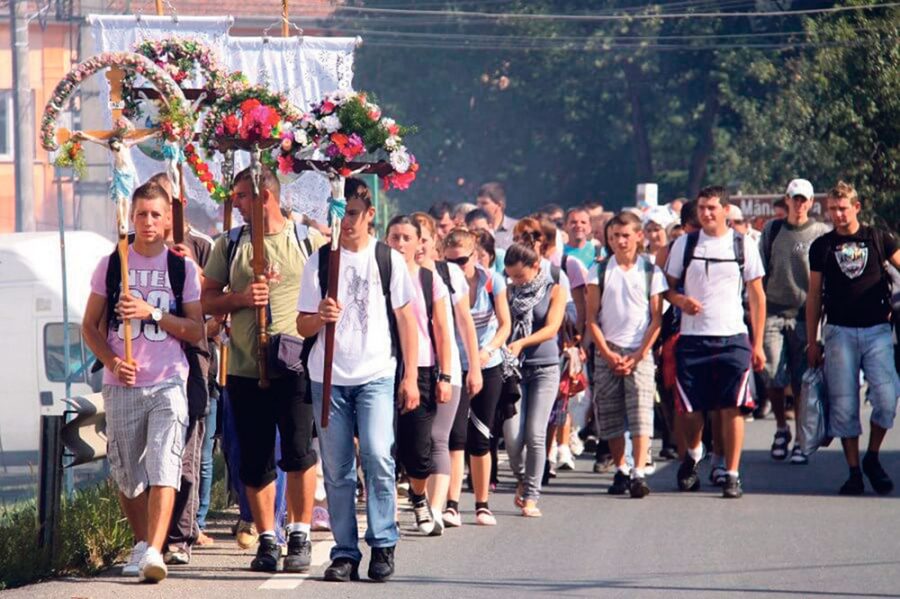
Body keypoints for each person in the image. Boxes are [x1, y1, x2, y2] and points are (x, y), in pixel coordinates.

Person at [297, 178, 420, 582]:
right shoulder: (319, 261)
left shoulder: (388, 259)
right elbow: (302, 325)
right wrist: (321, 317)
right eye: (339, 213)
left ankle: (383, 541)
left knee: (378, 455)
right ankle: (345, 551)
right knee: (336, 468)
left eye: (351, 213)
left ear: (369, 215)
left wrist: (411, 377)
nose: (344, 221)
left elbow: (406, 319)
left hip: (376, 374)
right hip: (327, 376)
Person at [81, 182, 204, 583]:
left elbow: (195, 329)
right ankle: (140, 541)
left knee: (165, 465)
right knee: (128, 476)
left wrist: (152, 313)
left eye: (155, 214)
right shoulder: (113, 264)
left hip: (169, 381)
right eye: (141, 214)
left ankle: (155, 549)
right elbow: (89, 326)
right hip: (122, 385)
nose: (148, 222)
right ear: (130, 217)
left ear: (168, 218)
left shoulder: (181, 268)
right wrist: (113, 361)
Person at [201, 166, 320, 573]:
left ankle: (300, 532)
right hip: (245, 368)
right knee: (254, 458)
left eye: (241, 196)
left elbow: (330, 292)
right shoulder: (229, 244)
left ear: (264, 196)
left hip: (295, 365)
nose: (234, 202)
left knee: (300, 453)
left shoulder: (306, 242)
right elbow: (206, 301)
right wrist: (239, 297)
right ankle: (268, 538)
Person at [665, 186, 766, 499]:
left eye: (712, 208)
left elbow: (757, 295)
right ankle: (694, 454)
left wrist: (758, 343)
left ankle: (732, 474)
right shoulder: (685, 243)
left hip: (733, 336)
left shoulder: (743, 245)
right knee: (690, 411)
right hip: (693, 338)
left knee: (733, 407)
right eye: (702, 208)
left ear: (725, 210)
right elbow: (665, 288)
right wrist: (681, 300)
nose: (706, 213)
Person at [807, 181, 900, 496]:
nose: (837, 214)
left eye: (843, 208)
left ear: (856, 207)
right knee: (844, 405)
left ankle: (872, 456)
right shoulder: (821, 246)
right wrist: (812, 340)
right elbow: (814, 296)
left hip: (877, 330)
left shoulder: (879, 238)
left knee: (887, 398)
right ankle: (853, 472)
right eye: (832, 208)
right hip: (838, 332)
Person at [146, 172, 216, 563]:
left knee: (186, 451)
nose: (156, 217)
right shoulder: (134, 251)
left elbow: (213, 302)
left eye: (166, 205)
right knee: (149, 456)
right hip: (146, 363)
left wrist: (195, 271)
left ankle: (179, 537)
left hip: (191, 359)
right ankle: (148, 537)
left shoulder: (201, 247)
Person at [410, 215, 483, 532]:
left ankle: (436, 509)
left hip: (447, 365)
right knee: (415, 442)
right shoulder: (397, 272)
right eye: (416, 239)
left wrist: (474, 367)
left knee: (440, 437)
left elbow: (464, 321)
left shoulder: (448, 272)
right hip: (410, 366)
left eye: (426, 239)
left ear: (433, 243)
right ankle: (421, 501)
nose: (421, 245)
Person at [586, 212, 666, 497]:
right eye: (614, 237)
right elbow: (592, 318)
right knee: (610, 414)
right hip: (608, 349)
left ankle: (638, 471)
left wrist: (639, 353)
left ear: (638, 237)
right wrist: (607, 353)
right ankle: (620, 468)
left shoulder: (651, 272)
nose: (620, 241)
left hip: (639, 351)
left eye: (625, 236)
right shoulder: (598, 270)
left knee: (642, 412)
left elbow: (656, 319)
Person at [385, 215, 454, 536]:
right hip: (382, 366)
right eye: (394, 237)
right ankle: (387, 510)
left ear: (418, 244)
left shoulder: (429, 280)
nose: (400, 244)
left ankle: (418, 497)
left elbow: (442, 330)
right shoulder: (377, 277)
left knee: (418, 447)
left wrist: (446, 375)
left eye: (406, 238)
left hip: (424, 370)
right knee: (382, 445)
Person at [442, 229, 510, 526]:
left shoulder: (491, 281)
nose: (456, 267)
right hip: (454, 363)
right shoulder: (440, 281)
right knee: (454, 437)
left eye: (462, 260)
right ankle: (451, 504)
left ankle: (482, 503)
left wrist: (486, 351)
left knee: (481, 435)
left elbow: (505, 325)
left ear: (475, 255)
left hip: (486, 361)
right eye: (449, 261)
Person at [759, 178, 829, 464]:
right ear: (786, 200)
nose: (799, 204)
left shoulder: (821, 233)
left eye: (804, 199)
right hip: (774, 310)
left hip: (805, 313)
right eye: (794, 198)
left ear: (811, 203)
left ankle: (801, 437)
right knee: (773, 373)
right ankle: (780, 428)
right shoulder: (772, 230)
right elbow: (761, 269)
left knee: (802, 380)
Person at [502, 243, 566, 517]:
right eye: (511, 276)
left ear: (535, 266)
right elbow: (502, 324)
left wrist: (522, 342)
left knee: (535, 434)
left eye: (520, 276)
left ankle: (531, 495)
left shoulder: (554, 290)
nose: (516, 281)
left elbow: (552, 328)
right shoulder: (507, 292)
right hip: (514, 369)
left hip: (544, 367)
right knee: (512, 436)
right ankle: (520, 478)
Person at [476, 182, 518, 250]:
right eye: (478, 203)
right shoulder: (474, 229)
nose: (478, 206)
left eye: (484, 203)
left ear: (499, 205)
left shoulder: (516, 228)